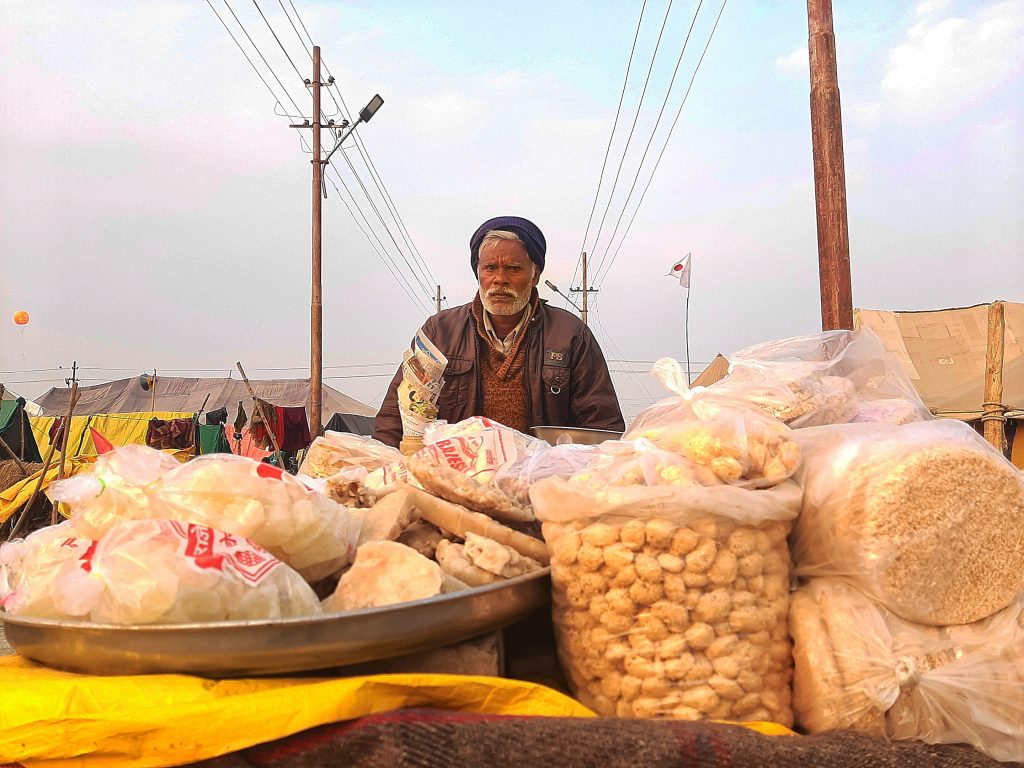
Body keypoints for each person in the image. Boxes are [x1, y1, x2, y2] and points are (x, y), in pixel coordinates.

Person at [373, 215, 625, 447]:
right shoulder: (440, 332)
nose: (500, 279)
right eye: (490, 268)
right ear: (478, 274)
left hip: (541, 483)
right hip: (455, 483)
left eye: (513, 269)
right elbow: (396, 418)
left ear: (534, 275)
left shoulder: (570, 334)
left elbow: (602, 427)